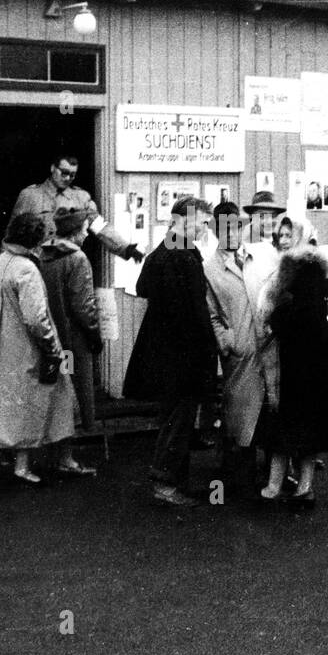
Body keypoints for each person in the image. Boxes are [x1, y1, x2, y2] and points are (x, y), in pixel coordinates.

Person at [123, 197, 217, 507]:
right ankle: (165, 483)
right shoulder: (182, 256)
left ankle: (173, 480)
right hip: (183, 354)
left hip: (165, 352)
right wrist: (209, 349)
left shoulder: (163, 251)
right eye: (202, 222)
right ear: (183, 220)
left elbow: (142, 287)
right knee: (179, 420)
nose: (206, 228)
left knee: (173, 417)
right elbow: (195, 311)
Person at [0, 212, 78, 486]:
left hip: (8, 346)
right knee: (56, 399)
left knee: (17, 406)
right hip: (32, 347)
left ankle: (29, 462)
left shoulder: (3, 261)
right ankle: (49, 461)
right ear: (34, 241)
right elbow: (36, 318)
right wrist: (52, 348)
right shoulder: (27, 269)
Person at [258, 242, 328, 506]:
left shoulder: (294, 284)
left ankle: (278, 485)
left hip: (294, 366)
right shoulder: (319, 279)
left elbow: (282, 320)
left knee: (284, 427)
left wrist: (274, 318)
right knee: (309, 431)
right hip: (318, 364)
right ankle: (302, 486)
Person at [203, 201, 277, 493]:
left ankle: (274, 472)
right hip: (240, 350)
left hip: (267, 345)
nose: (233, 233)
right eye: (226, 228)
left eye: (237, 227)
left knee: (272, 409)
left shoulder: (258, 257)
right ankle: (239, 472)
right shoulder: (209, 268)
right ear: (216, 230)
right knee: (239, 411)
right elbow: (210, 314)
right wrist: (226, 341)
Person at [38, 207, 104, 463]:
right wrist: (95, 335)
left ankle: (53, 453)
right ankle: (67, 458)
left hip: (51, 336)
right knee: (76, 392)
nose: (87, 233)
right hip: (74, 338)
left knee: (54, 391)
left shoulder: (44, 256)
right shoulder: (77, 259)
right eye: (85, 229)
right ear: (76, 231)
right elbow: (84, 305)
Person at [12, 153, 144, 262]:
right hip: (37, 262)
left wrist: (126, 248)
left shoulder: (81, 198)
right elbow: (13, 233)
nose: (68, 178)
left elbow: (100, 228)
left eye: (72, 175)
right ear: (53, 168)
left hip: (67, 263)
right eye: (64, 173)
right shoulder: (30, 195)